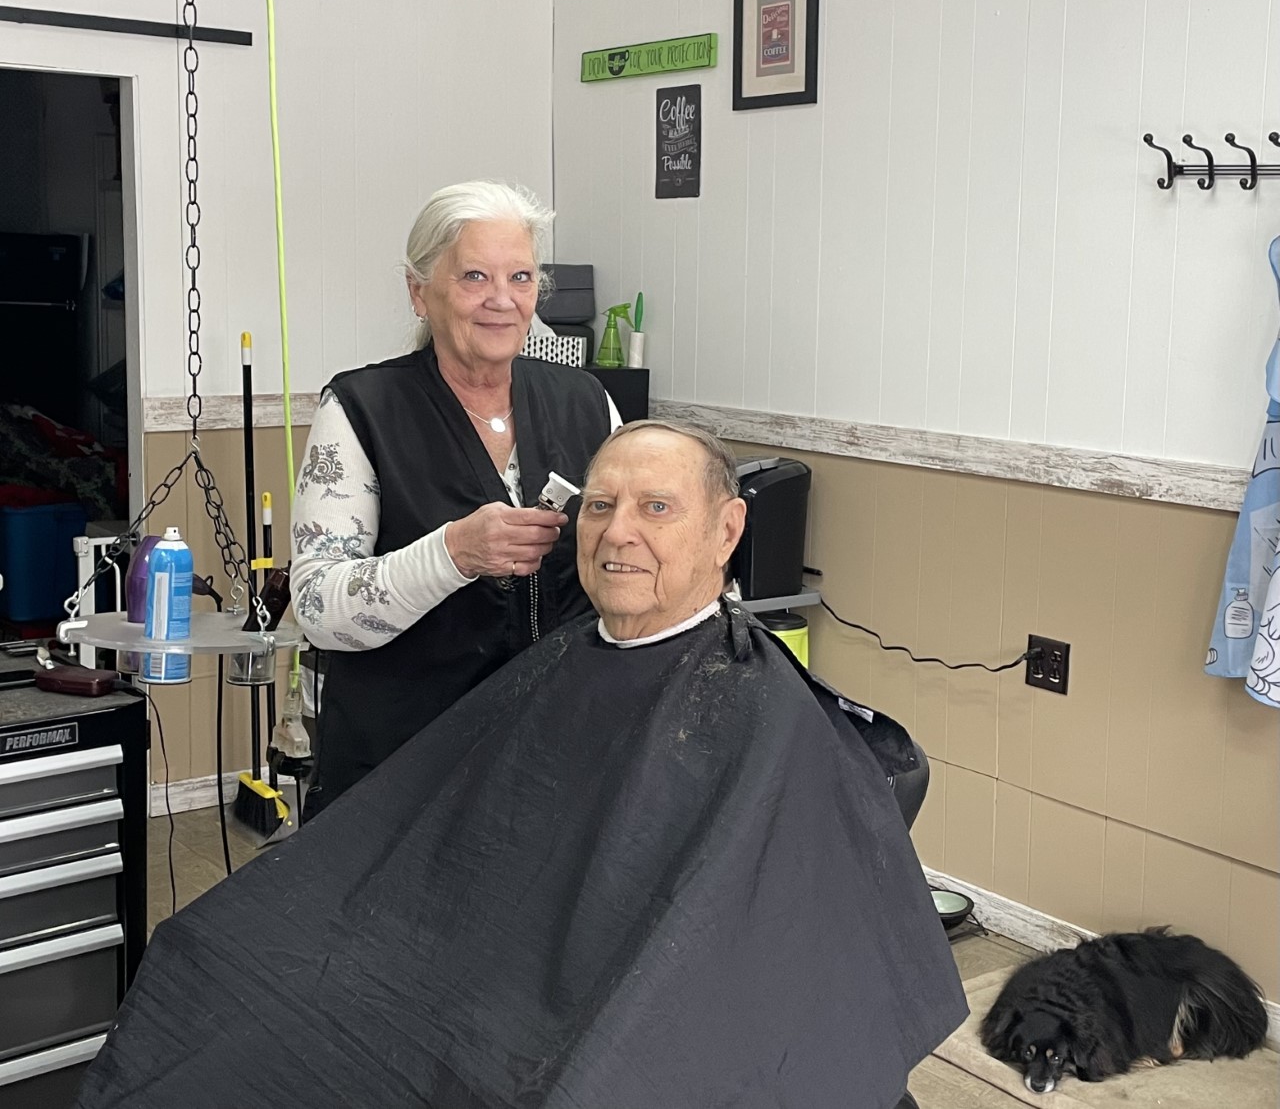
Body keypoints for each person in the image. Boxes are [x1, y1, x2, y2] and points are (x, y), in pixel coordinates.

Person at [80, 420, 965, 1109]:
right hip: (470, 980)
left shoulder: (763, 717)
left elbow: (716, 968)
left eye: (657, 508)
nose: (618, 535)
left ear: (728, 529)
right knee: (213, 959)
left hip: (609, 1021)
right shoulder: (568, 663)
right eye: (601, 505)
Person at [290, 179, 619, 812]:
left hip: (554, 754)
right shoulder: (362, 410)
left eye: (521, 278)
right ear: (420, 293)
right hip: (403, 761)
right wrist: (454, 554)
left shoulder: (586, 403)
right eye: (474, 277)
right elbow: (317, 608)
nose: (502, 301)